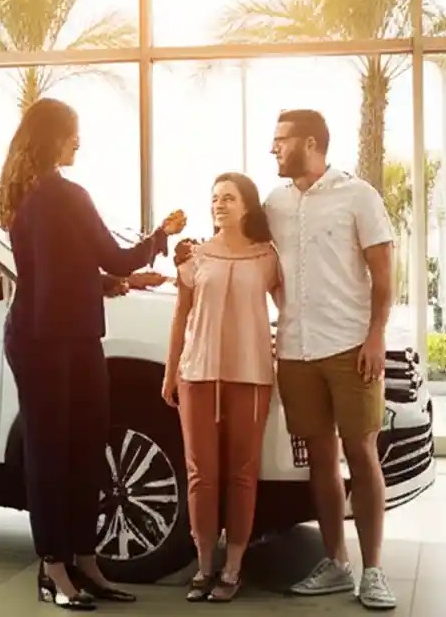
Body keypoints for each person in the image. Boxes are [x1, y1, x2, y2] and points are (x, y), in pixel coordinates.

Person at [175, 109, 396, 610]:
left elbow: (384, 272)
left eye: (282, 141)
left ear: (312, 143)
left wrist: (376, 335)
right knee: (320, 457)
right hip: (295, 349)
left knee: (361, 454)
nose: (273, 149)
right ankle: (337, 563)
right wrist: (185, 254)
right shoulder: (274, 203)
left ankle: (374, 570)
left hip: (349, 345)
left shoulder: (358, 196)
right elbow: (234, 235)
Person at [0, 97, 186, 611]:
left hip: (59, 336)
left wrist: (109, 284)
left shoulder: (23, 193)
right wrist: (161, 237)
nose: (78, 141)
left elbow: (61, 267)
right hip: (48, 343)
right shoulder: (65, 194)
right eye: (73, 132)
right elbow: (114, 253)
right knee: (56, 456)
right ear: (53, 136)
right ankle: (55, 567)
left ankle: (84, 562)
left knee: (76, 450)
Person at [161, 173, 281, 603]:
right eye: (215, 198)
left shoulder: (268, 257)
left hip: (251, 376)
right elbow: (181, 316)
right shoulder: (195, 257)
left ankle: (233, 567)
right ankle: (205, 564)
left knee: (242, 474)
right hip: (198, 374)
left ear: (247, 205)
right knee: (201, 475)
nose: (220, 204)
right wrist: (170, 370)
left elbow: (289, 310)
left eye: (229, 198)